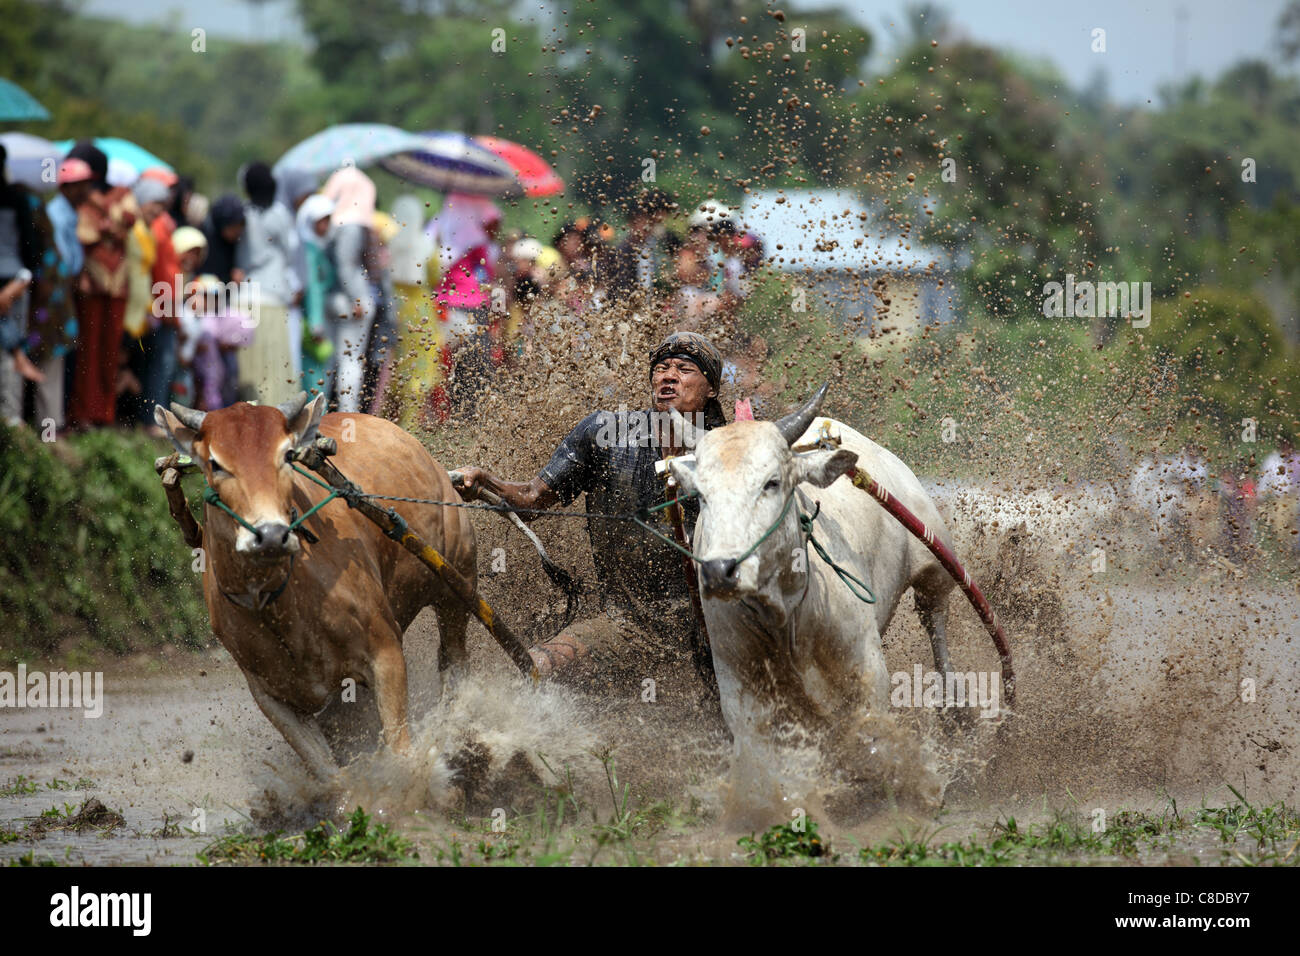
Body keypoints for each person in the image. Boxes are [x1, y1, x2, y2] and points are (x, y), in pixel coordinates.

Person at [454, 331, 728, 693]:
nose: (668, 376)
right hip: (627, 627)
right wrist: (486, 482)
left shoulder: (731, 449)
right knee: (536, 668)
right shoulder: (606, 435)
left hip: (718, 629)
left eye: (684, 368)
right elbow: (533, 500)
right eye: (661, 368)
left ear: (711, 390)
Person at [68, 141, 138, 429]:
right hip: (91, 285)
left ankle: (103, 414)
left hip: (116, 285)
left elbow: (129, 219)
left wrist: (107, 223)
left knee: (108, 350)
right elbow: (87, 232)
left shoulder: (114, 196)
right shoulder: (89, 200)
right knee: (89, 349)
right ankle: (84, 412)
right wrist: (112, 224)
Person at [429, 192, 502, 414]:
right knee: (474, 363)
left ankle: (443, 412)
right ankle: (469, 412)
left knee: (443, 362)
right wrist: (498, 310)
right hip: (472, 306)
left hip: (441, 306)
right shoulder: (477, 243)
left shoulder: (437, 234)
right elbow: (487, 276)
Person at [235, 162, 299, 405]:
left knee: (250, 370)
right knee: (273, 370)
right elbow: (291, 250)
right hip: (271, 298)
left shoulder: (243, 213)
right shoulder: (279, 214)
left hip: (243, 298)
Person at [320, 166, 377, 413]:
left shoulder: (328, 226)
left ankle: (322, 414)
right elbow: (346, 266)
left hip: (332, 298)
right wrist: (358, 298)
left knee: (332, 362)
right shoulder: (351, 226)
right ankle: (348, 414)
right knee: (351, 360)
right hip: (350, 300)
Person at [294, 194, 336, 397]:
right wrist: (316, 322)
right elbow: (313, 288)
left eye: (328, 220)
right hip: (311, 322)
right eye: (321, 220)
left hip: (310, 319)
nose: (326, 226)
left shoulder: (315, 247)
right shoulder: (310, 251)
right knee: (314, 374)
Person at [605, 188, 677, 304]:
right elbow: (621, 289)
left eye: (649, 222)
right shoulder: (622, 251)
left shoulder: (654, 248)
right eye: (640, 222)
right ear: (631, 223)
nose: (645, 227)